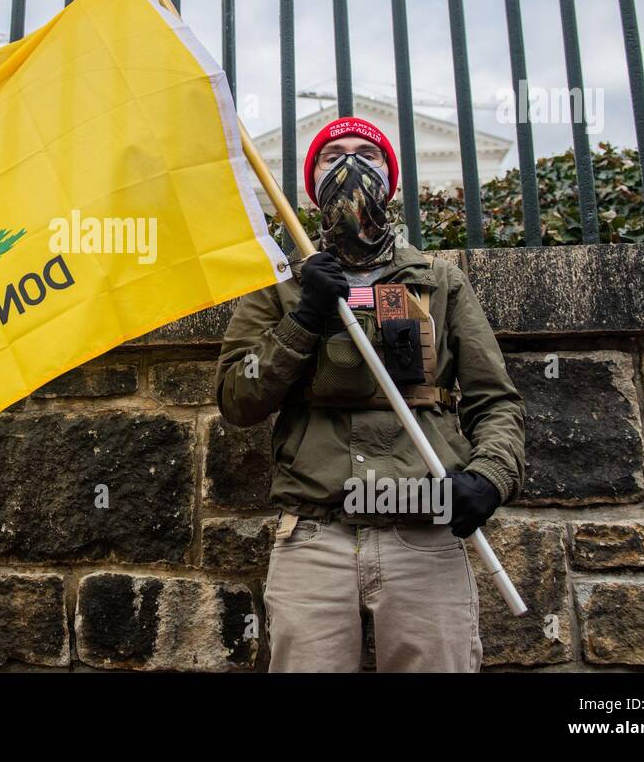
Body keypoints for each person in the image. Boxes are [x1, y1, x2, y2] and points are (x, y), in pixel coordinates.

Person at [215, 116, 526, 672]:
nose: (351, 165)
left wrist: (490, 477)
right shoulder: (279, 286)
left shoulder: (440, 280)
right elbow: (238, 398)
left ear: (393, 178)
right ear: (311, 183)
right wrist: (304, 317)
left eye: (368, 154)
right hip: (315, 537)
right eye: (334, 155)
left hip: (425, 536)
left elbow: (493, 399)